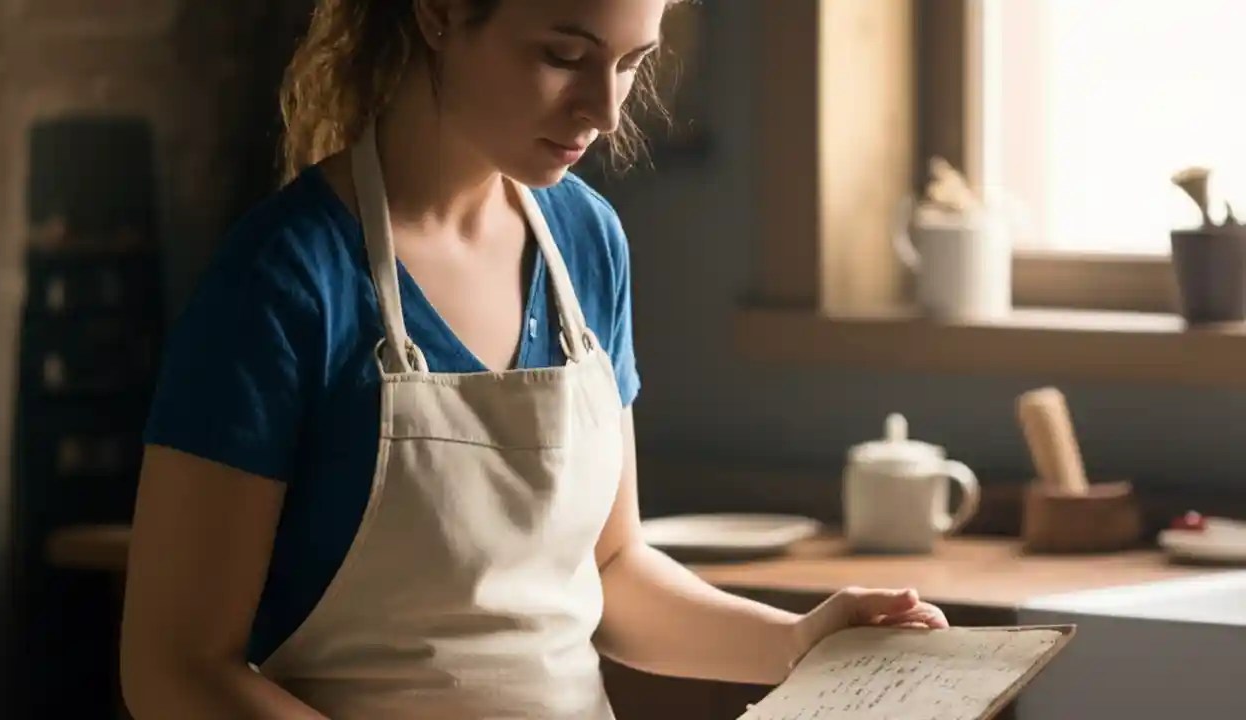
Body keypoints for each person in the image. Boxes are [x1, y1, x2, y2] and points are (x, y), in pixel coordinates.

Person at [118, 1, 948, 717]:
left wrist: (800, 643)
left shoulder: (588, 244)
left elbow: (612, 569)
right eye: (564, 55)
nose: (606, 110)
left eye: (631, 63)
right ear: (438, 11)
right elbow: (173, 673)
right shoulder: (285, 280)